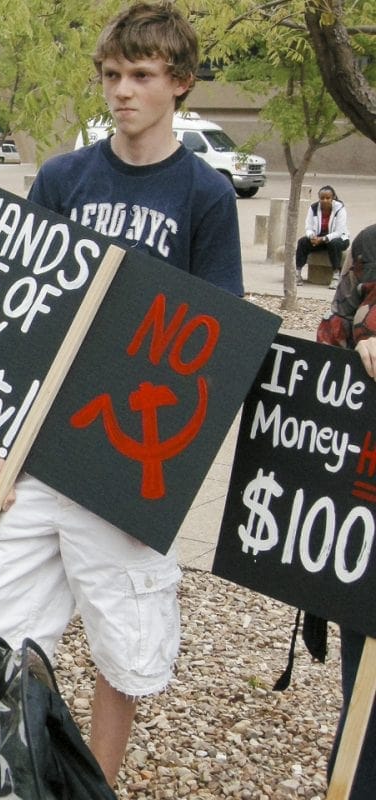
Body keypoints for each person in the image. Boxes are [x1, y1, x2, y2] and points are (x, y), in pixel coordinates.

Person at [0, 3, 244, 788]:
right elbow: (19, 323)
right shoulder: (62, 178)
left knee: (125, 646)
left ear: (178, 83)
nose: (122, 91)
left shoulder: (205, 196)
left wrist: (160, 485)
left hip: (128, 457)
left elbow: (215, 350)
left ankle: (97, 784)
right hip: (42, 448)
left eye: (142, 76)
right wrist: (0, 446)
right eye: (112, 75)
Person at [316, 223, 376, 799]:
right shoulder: (370, 246)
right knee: (365, 694)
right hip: (367, 501)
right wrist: (353, 352)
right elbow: (327, 340)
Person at [296, 185, 351, 285]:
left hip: (339, 238)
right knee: (302, 242)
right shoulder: (313, 208)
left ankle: (335, 275)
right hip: (319, 238)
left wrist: (323, 239)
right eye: (322, 198)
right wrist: (312, 236)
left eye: (328, 198)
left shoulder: (340, 209)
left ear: (333, 198)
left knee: (333, 244)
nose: (325, 200)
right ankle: (297, 272)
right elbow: (308, 227)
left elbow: (339, 232)